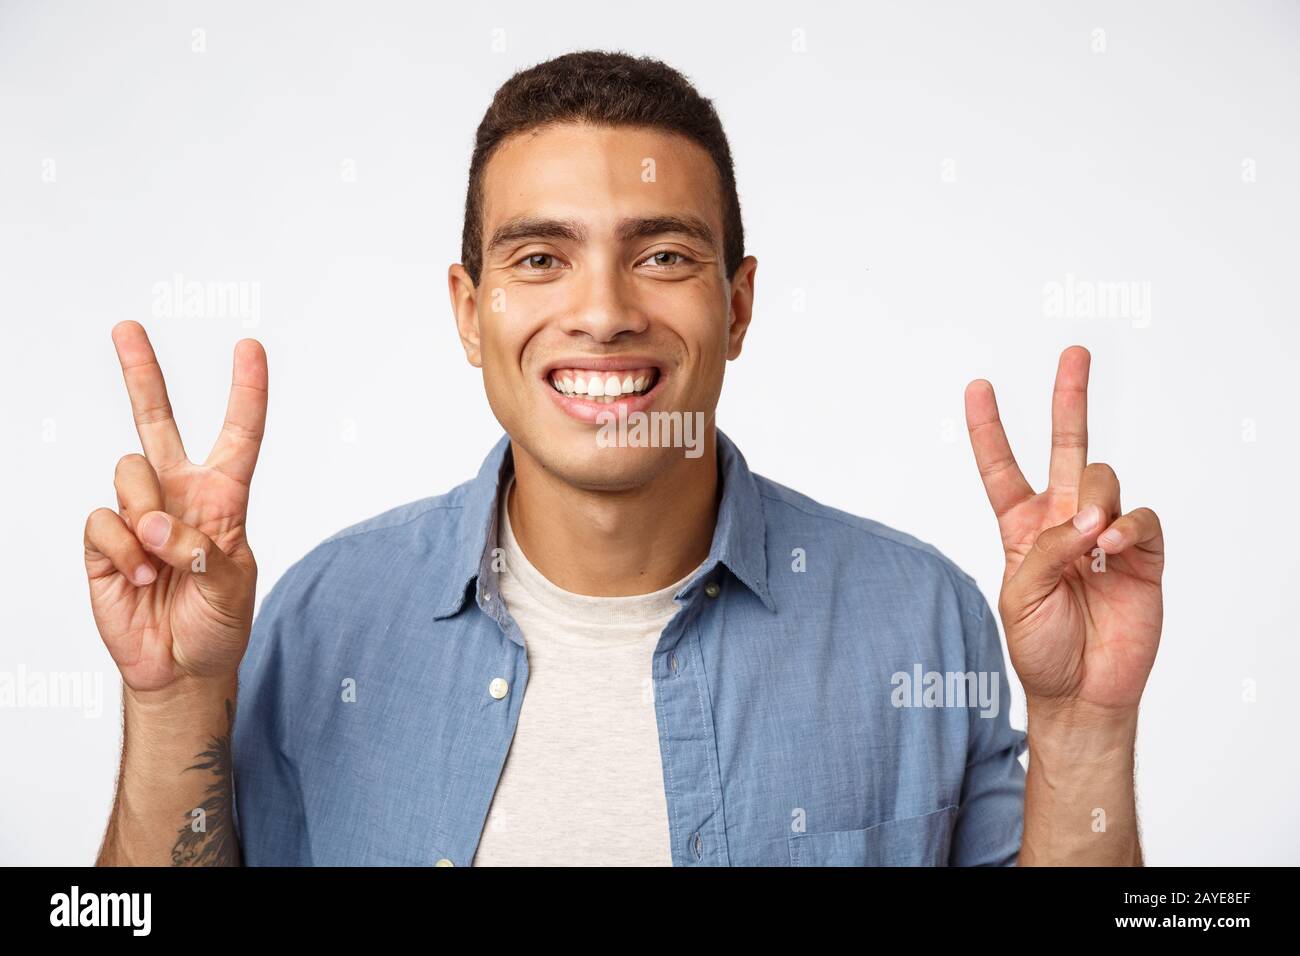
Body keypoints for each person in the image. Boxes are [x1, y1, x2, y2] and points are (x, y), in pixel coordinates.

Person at [86, 50, 1163, 867]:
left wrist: (1083, 722)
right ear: (470, 313)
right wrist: (174, 697)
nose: (601, 313)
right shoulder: (320, 615)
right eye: (541, 257)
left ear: (736, 304)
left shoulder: (918, 617)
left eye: (661, 254)